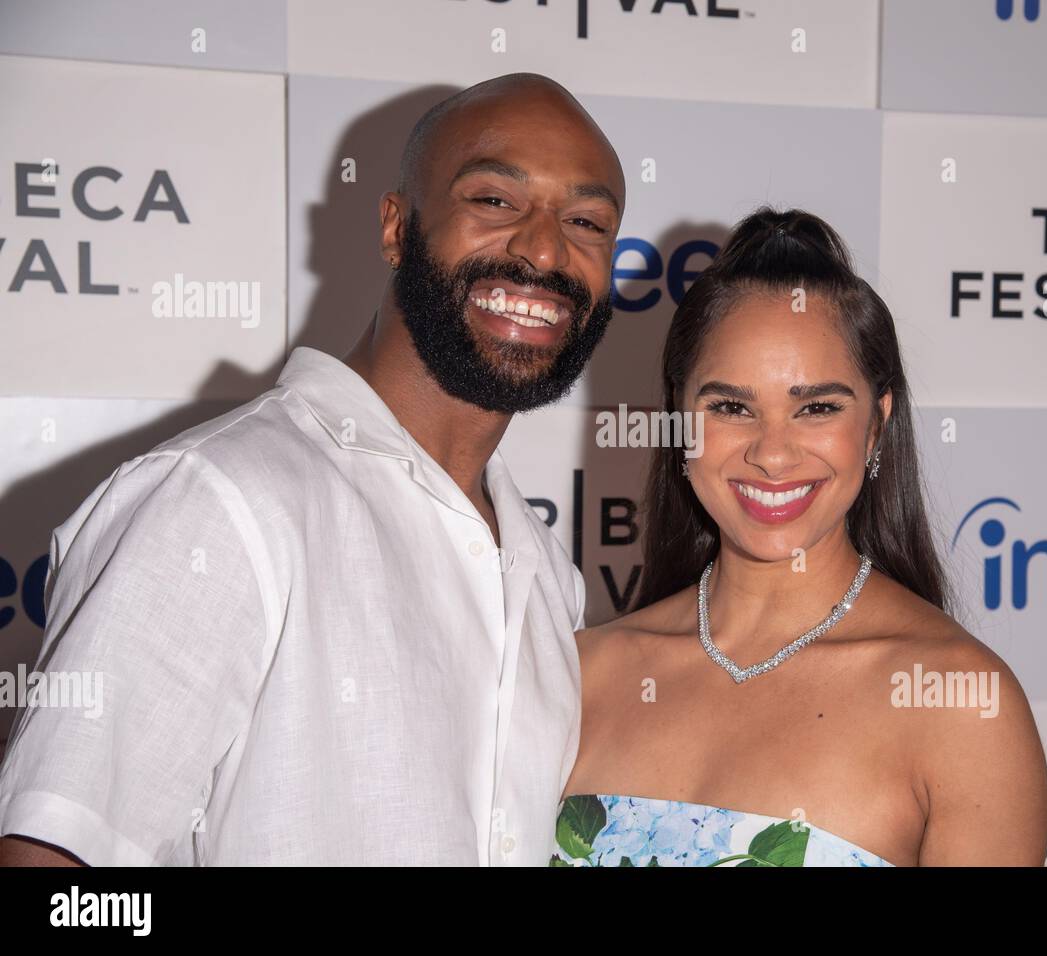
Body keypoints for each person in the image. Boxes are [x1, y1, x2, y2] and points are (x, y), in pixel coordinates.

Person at [0, 72, 625, 866]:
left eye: (587, 220)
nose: (543, 248)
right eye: (495, 202)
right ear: (397, 227)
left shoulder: (544, 572)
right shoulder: (221, 500)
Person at [552, 208, 1047, 867]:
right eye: (731, 406)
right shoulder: (584, 675)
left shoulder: (959, 705)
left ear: (876, 425)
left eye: (817, 407)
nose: (772, 453)